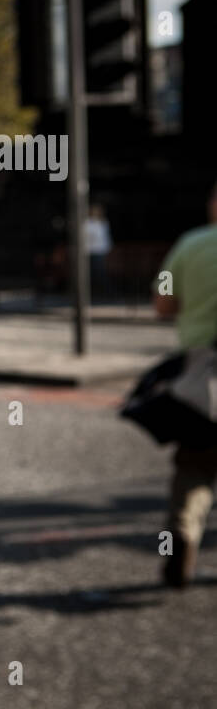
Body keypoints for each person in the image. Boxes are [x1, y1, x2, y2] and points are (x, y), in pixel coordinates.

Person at [153, 180, 217, 589]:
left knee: (194, 465)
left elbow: (162, 299)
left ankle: (181, 533)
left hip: (201, 373)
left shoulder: (189, 243)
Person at [85, 203, 113, 299]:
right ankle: (92, 294)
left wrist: (108, 248)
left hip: (100, 251)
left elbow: (105, 237)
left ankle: (105, 293)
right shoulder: (87, 222)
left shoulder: (103, 222)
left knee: (100, 273)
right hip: (90, 251)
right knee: (91, 273)